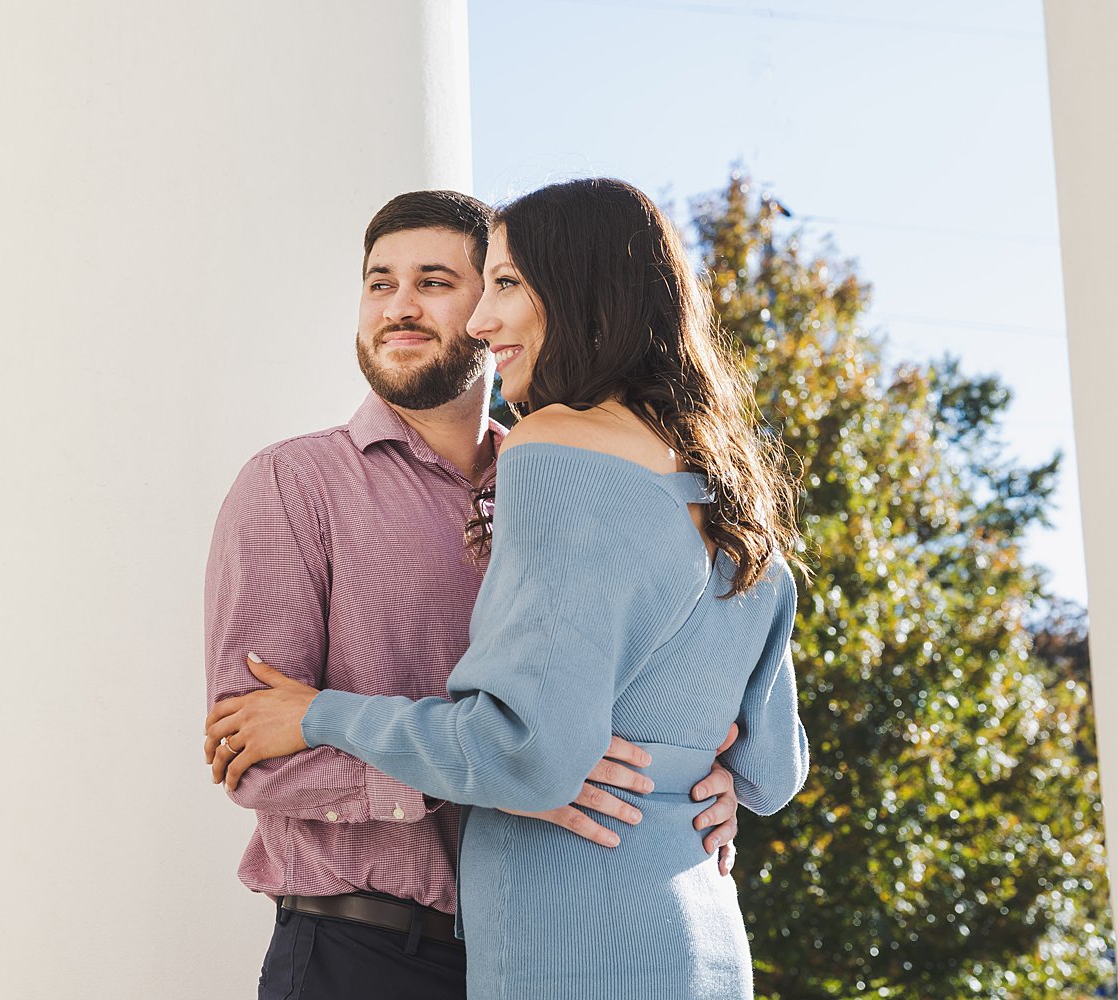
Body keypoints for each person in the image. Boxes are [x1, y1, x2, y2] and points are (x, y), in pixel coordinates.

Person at [207, 178, 810, 999]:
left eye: (447, 283)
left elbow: (542, 753)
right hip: (373, 951)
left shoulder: (561, 463)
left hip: (548, 938)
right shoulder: (294, 484)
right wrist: (531, 777)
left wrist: (697, 786)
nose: (400, 306)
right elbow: (251, 753)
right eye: (379, 283)